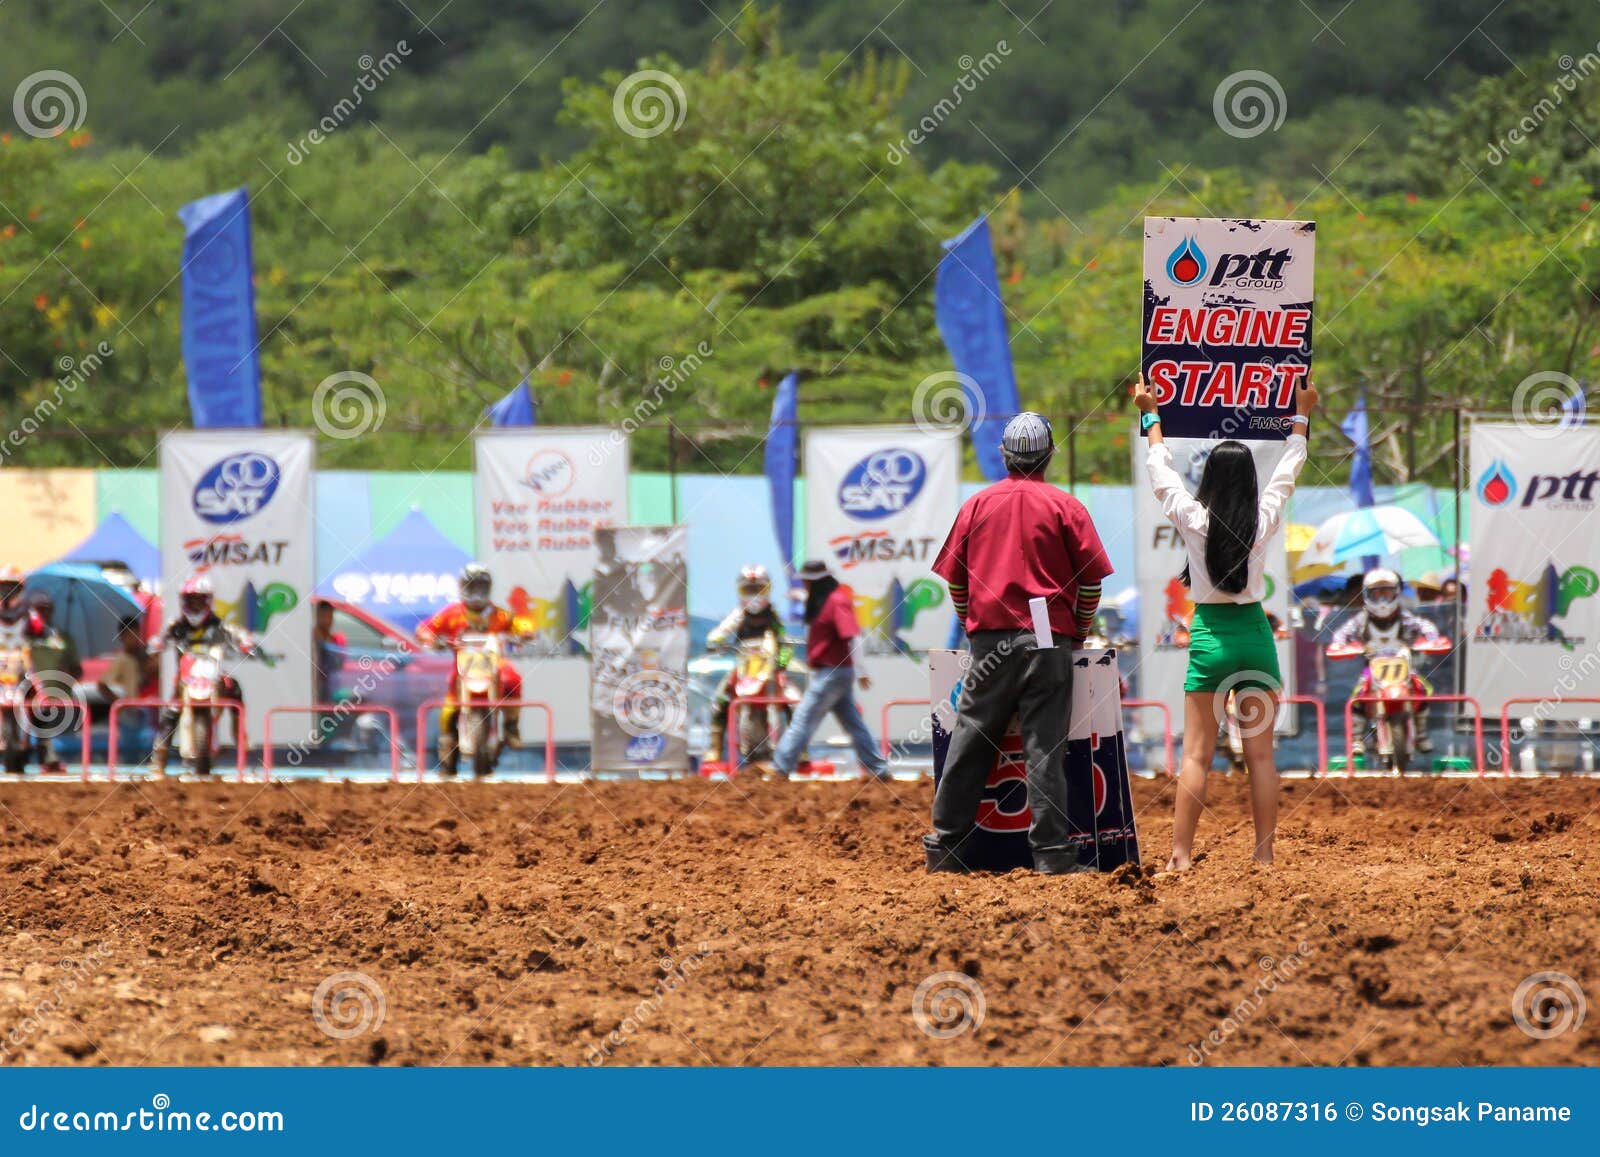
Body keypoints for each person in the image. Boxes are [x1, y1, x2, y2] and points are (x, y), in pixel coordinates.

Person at [1134, 374, 1318, 870]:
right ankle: (1264, 856)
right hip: (1256, 638)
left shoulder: (1195, 519)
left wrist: (1151, 415)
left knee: (1196, 756)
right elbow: (1289, 469)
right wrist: (1302, 414)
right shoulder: (1264, 517)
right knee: (1261, 758)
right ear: (1248, 483)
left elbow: (1162, 473)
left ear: (1210, 481)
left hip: (1210, 638)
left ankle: (1180, 857)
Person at [921, 412, 1113, 875]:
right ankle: (1051, 856)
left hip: (989, 641)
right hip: (1049, 643)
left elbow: (956, 581)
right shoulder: (1068, 507)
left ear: (1004, 456)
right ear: (1049, 455)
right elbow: (1091, 584)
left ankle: (945, 849)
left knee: (970, 738)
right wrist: (1079, 631)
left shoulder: (977, 505)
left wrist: (972, 624)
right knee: (1044, 746)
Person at [767, 560, 889, 782]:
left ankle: (780, 768)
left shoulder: (837, 601)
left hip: (832, 673)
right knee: (854, 724)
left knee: (803, 719)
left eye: (807, 582)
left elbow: (853, 636)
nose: (804, 585)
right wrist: (799, 596)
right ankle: (878, 769)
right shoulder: (827, 600)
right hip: (835, 672)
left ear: (816, 582)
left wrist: (861, 671)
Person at [416, 562, 525, 774]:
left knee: (513, 678)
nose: (476, 592)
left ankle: (511, 725)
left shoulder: (499, 615)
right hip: (462, 667)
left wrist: (524, 632)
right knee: (448, 711)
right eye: (472, 586)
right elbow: (425, 628)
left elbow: (520, 624)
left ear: (488, 588)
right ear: (463, 586)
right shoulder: (452, 613)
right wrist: (431, 639)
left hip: (493, 665)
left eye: (481, 587)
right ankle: (448, 756)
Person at [151, 575, 255, 775]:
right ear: (184, 602)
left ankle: (240, 740)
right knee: (171, 710)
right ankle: (159, 757)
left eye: (199, 600)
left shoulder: (217, 624)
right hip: (185, 675)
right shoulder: (178, 625)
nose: (195, 605)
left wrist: (245, 641)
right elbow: (161, 637)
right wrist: (157, 643)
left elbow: (235, 632)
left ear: (207, 601)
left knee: (236, 689)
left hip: (212, 672)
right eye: (191, 600)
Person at [1331, 568, 1440, 757]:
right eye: (1377, 593)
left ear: (1396, 594)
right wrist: (1339, 645)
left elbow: (1424, 625)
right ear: (1367, 595)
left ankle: (1421, 733)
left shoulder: (1403, 617)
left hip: (1403, 666)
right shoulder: (1361, 619)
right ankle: (1357, 738)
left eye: (1386, 593)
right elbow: (1342, 633)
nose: (1382, 599)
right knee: (1358, 694)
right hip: (1373, 668)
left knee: (1423, 689)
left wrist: (1432, 638)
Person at [704, 565, 792, 763]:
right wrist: (714, 641)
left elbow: (785, 641)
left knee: (795, 700)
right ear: (740, 591)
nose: (754, 595)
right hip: (745, 666)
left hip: (769, 668)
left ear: (767, 590)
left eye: (759, 589)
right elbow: (721, 631)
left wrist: (782, 662)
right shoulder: (738, 615)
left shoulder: (773, 616)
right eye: (749, 590)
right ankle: (714, 748)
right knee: (720, 698)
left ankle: (800, 749)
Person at [26, 592, 82, 774]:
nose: (42, 614)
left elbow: (78, 671)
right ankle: (27, 755)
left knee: (48, 715)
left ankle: (49, 759)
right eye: (38, 610)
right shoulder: (24, 639)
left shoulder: (63, 639)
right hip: (30, 697)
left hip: (59, 699)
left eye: (46, 609)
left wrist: (68, 669)